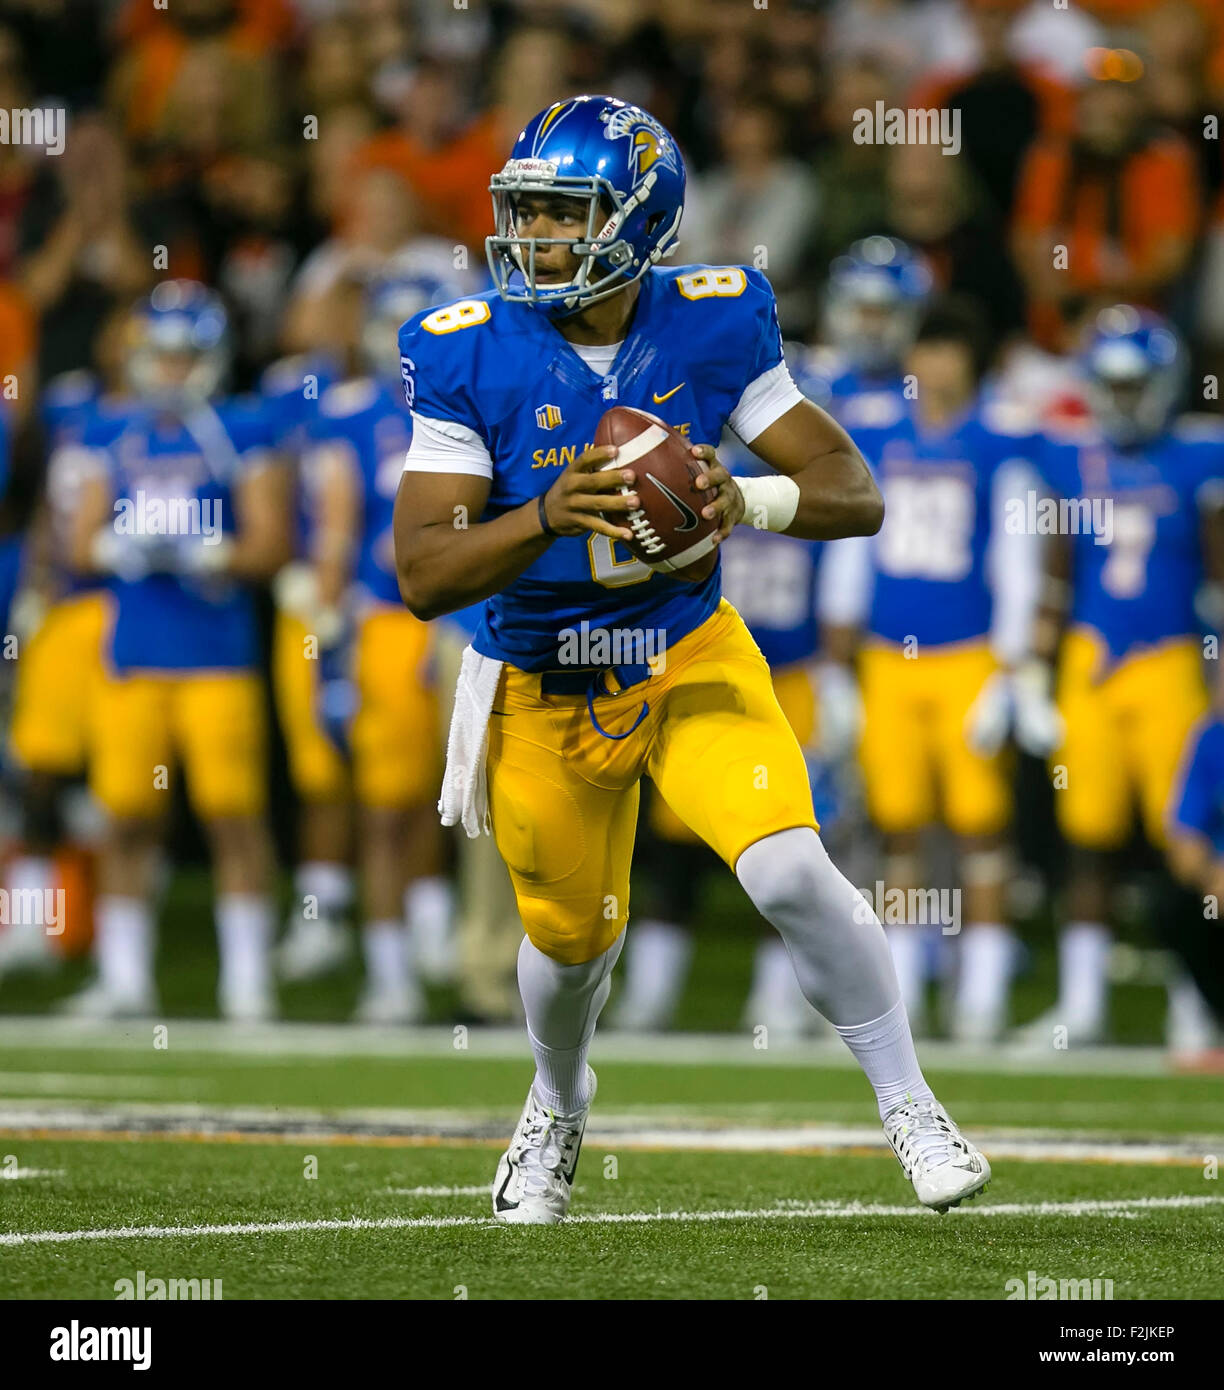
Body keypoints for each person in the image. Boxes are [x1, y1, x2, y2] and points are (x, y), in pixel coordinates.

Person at [394, 95, 991, 1223]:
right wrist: (544, 518)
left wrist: (745, 495)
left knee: (787, 870)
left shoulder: (718, 319)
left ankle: (910, 1104)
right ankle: (559, 1100)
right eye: (524, 211)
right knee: (569, 946)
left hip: (684, 654)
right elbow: (422, 573)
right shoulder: (466, 348)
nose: (536, 239)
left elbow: (853, 491)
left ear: (637, 221)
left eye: (564, 216)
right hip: (540, 676)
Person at [821, 295, 1057, 1042]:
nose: (935, 364)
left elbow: (1019, 564)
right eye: (928, 348)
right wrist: (838, 667)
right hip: (889, 658)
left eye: (950, 350)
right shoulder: (878, 432)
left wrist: (1016, 669)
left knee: (983, 833)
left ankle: (981, 996)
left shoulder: (998, 440)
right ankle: (907, 997)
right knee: (899, 832)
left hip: (969, 656)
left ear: (971, 362)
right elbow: (851, 551)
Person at [59, 280, 290, 1021]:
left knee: (232, 816)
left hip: (215, 656)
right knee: (126, 817)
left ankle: (247, 983)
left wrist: (208, 554)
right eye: (159, 356)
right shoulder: (111, 431)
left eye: (185, 355)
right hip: (134, 654)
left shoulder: (237, 430)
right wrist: (118, 545)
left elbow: (269, 545)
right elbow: (78, 544)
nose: (171, 370)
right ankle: (125, 981)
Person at [1022, 305, 1224, 1048]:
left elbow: (1216, 579)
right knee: (1088, 839)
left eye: (1138, 386)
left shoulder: (1199, 457)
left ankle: (1198, 1002)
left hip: (1173, 658)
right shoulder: (1071, 457)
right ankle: (1083, 1005)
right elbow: (1055, 576)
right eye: (1114, 385)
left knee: (1185, 837)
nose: (1126, 400)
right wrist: (1032, 677)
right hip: (1091, 657)